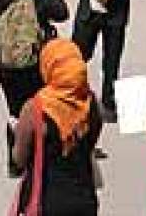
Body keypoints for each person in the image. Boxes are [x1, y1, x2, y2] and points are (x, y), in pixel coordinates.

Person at [0, 0, 69, 175]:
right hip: (35, 63)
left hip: (6, 62)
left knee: (15, 111)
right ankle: (37, 157)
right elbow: (62, 13)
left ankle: (14, 162)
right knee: (39, 110)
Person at [11, 39, 103, 216]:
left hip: (46, 201)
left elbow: (19, 159)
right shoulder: (92, 103)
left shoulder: (35, 109)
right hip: (84, 199)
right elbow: (90, 141)